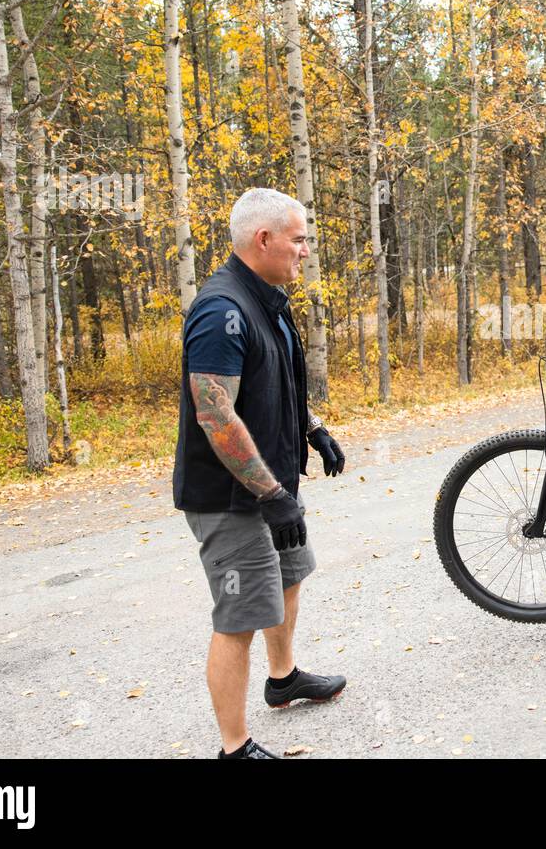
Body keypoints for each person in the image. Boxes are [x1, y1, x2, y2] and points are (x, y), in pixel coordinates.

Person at [173, 187, 347, 759]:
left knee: (291, 573)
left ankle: (284, 678)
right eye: (298, 240)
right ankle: (234, 746)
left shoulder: (267, 299)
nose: (305, 251)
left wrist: (312, 428)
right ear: (263, 239)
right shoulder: (221, 310)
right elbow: (214, 412)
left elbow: (278, 383)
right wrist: (271, 494)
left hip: (273, 488)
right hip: (232, 499)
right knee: (240, 615)